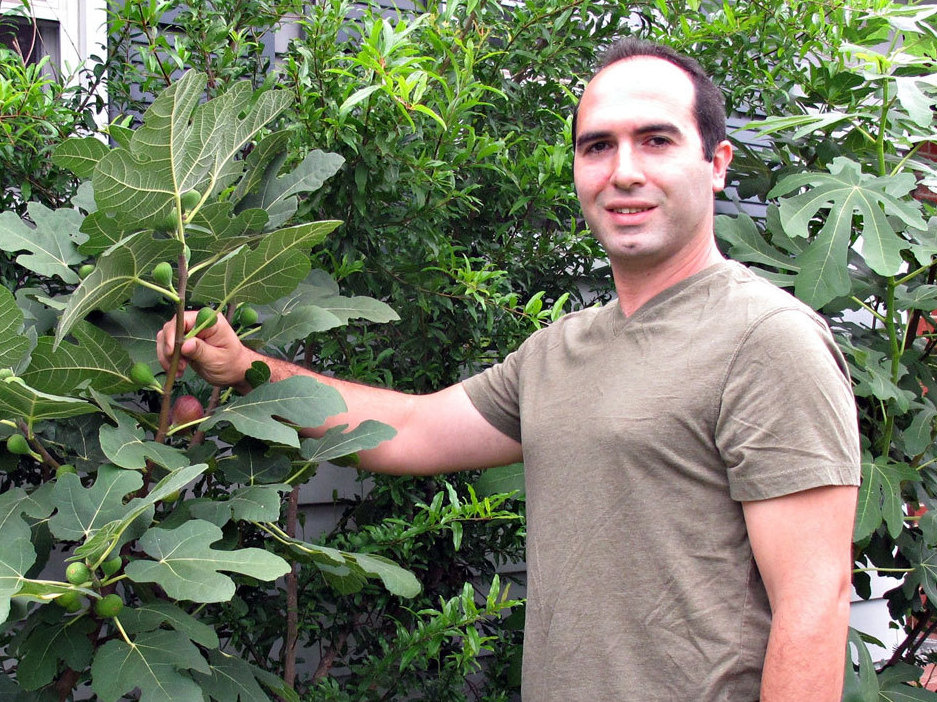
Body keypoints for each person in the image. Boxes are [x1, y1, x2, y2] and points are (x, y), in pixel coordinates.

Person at [158, 38, 861, 702]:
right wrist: (245, 370)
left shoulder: (765, 341)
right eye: (597, 147)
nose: (622, 171)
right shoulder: (559, 351)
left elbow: (813, 601)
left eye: (655, 139)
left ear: (716, 163)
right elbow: (407, 428)